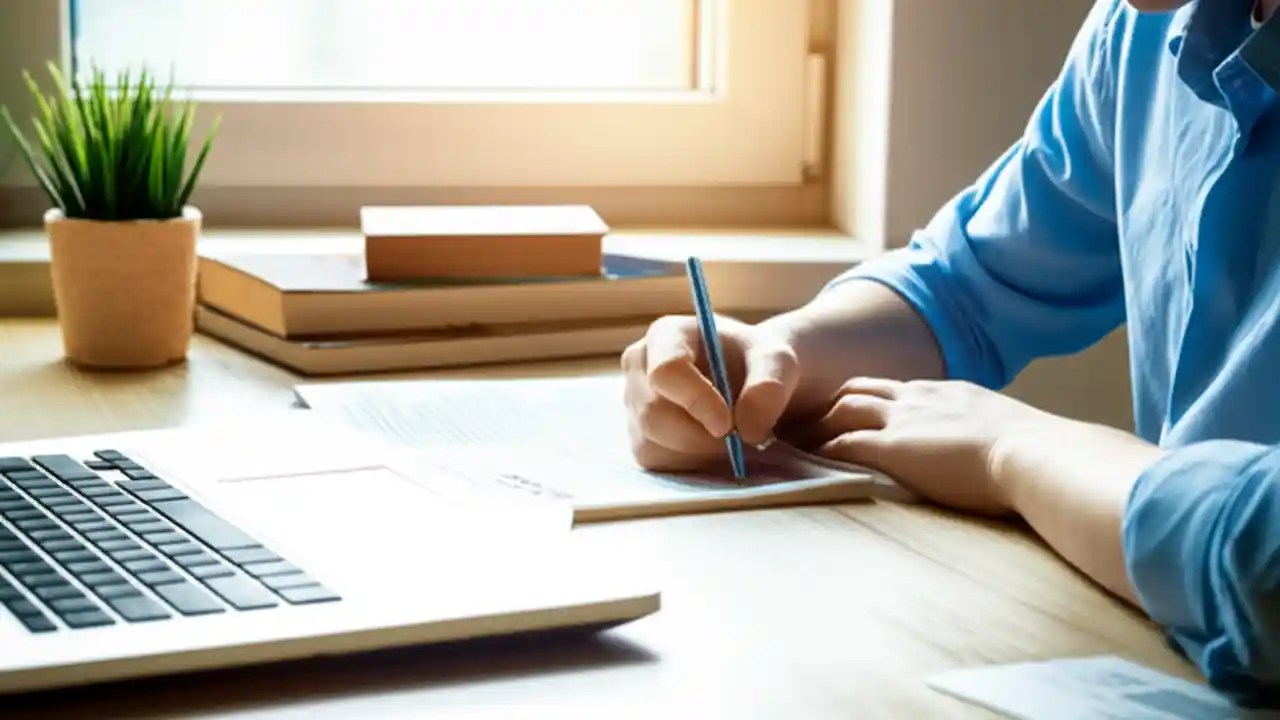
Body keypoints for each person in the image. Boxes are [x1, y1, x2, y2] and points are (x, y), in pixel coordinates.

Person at [622, 0, 1280, 700]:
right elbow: (962, 287)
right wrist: (775, 356)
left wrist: (1013, 449)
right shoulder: (1145, 29)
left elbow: (1262, 556)